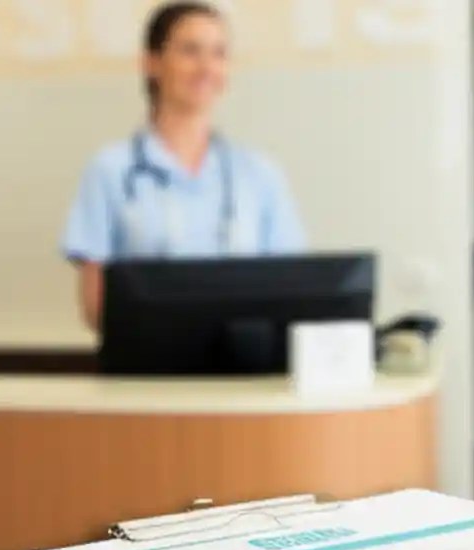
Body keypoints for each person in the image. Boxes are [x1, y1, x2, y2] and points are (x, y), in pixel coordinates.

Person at [61, 2, 307, 329]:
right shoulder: (110, 170)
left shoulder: (260, 175)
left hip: (244, 370)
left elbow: (291, 289)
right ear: (152, 63)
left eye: (219, 53)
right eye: (190, 51)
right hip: (147, 370)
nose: (206, 67)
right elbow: (97, 307)